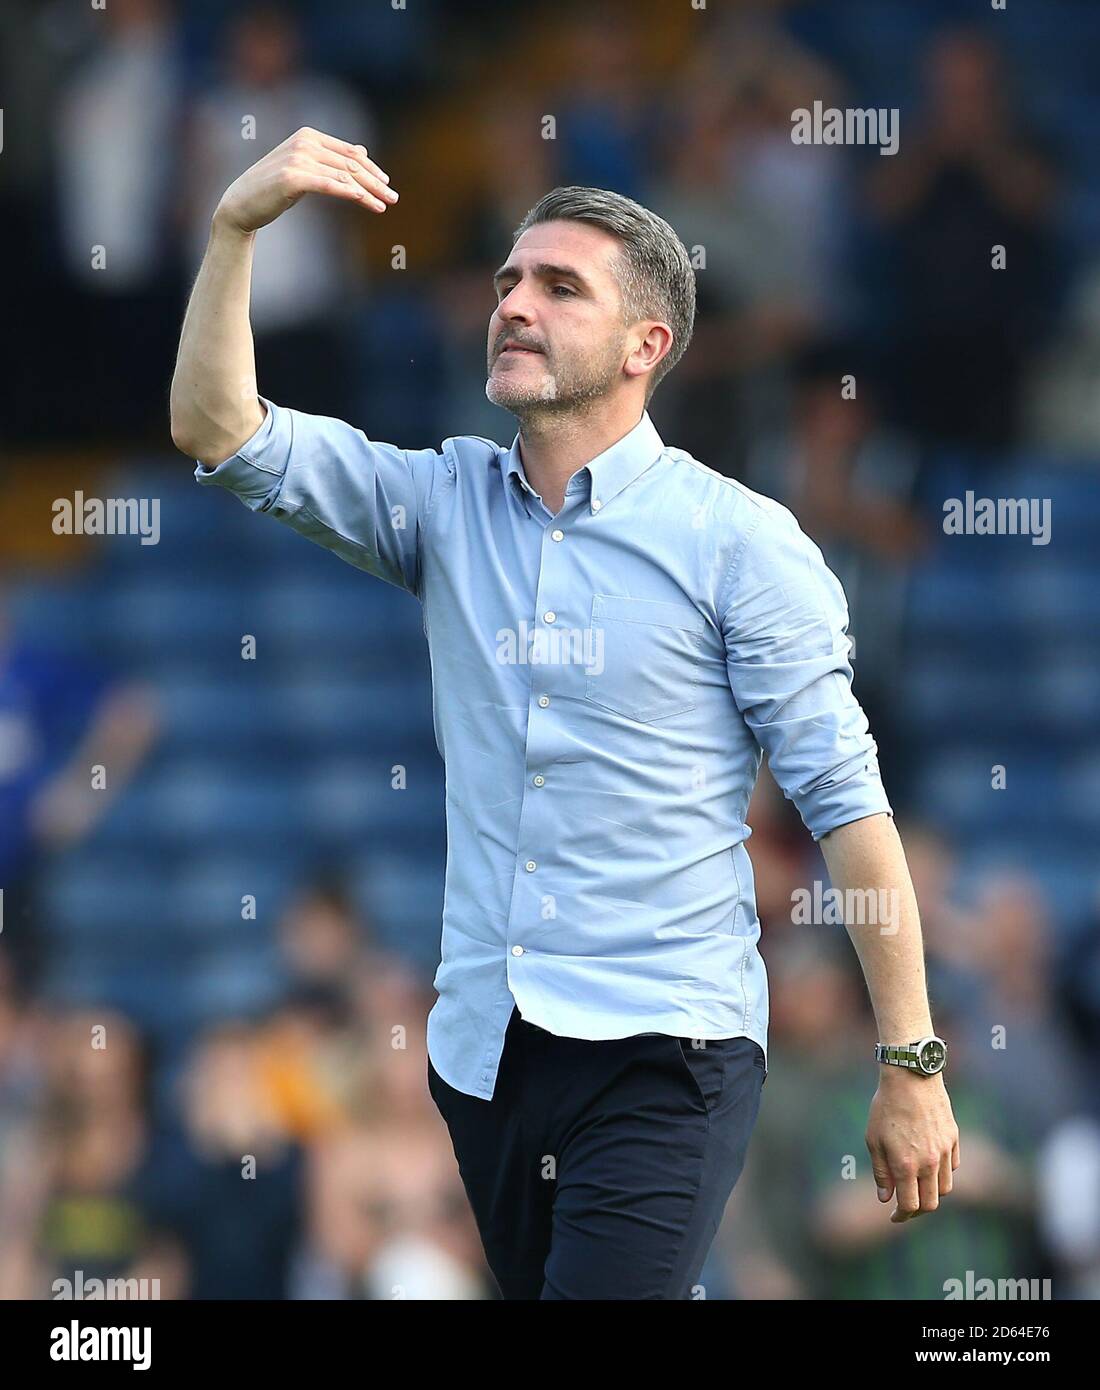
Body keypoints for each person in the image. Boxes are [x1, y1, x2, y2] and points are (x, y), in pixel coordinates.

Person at [170, 127, 960, 1300]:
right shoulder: (440, 500)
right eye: (505, 282)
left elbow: (848, 810)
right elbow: (218, 429)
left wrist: (909, 1061)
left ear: (648, 345)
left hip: (664, 1051)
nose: (513, 304)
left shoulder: (741, 545)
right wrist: (234, 226)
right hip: (485, 1055)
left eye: (557, 286)